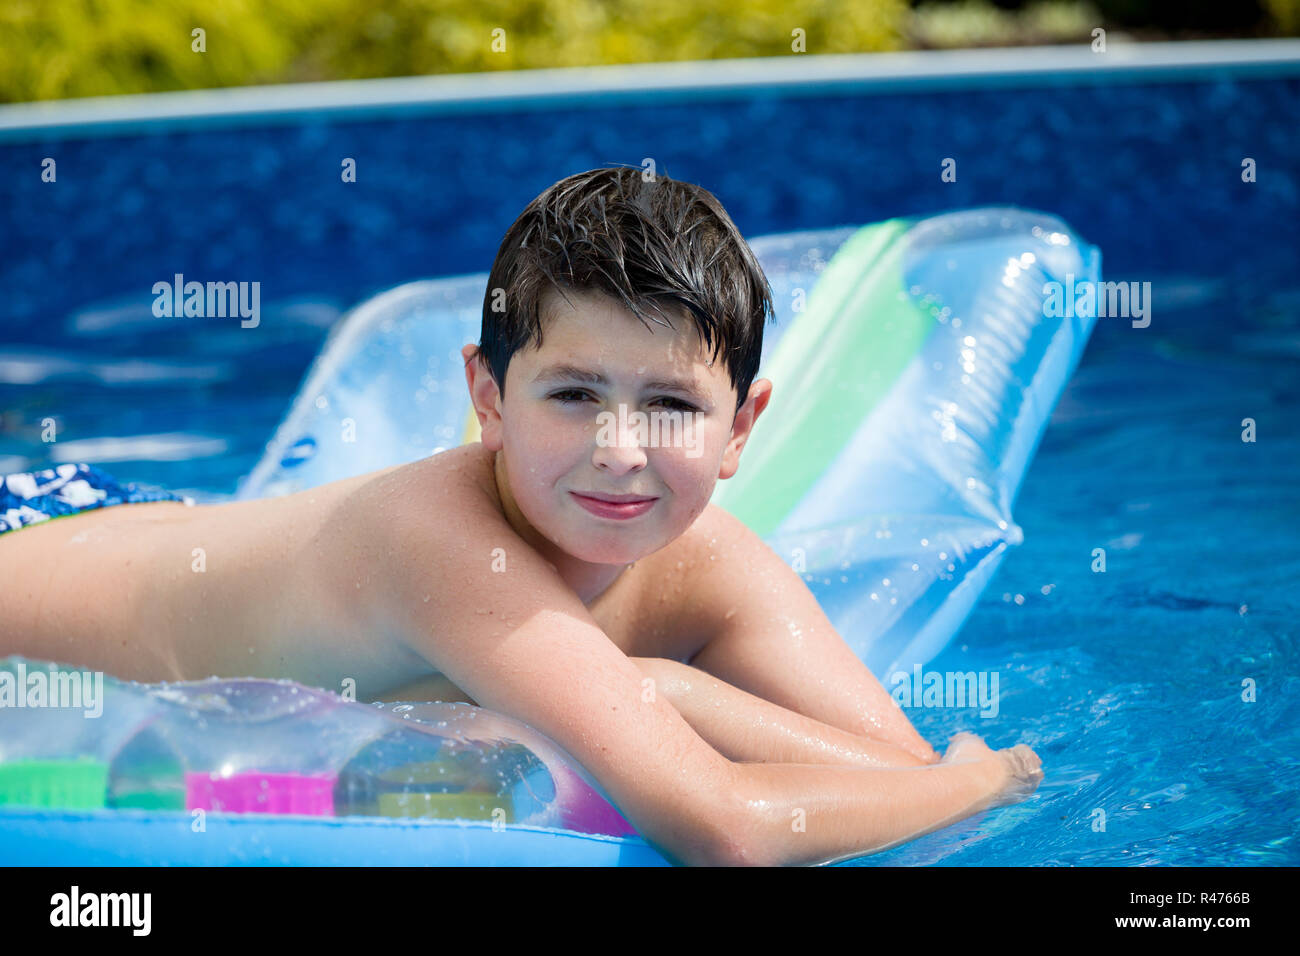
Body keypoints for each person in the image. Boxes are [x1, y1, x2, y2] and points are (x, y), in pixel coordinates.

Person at [0, 166, 1041, 866]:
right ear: (489, 397)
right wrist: (987, 773)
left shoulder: (707, 563)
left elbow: (900, 772)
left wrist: (664, 688)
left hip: (146, 523)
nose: (619, 449)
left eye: (672, 404)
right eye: (574, 393)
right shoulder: (441, 545)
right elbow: (727, 829)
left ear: (741, 427)